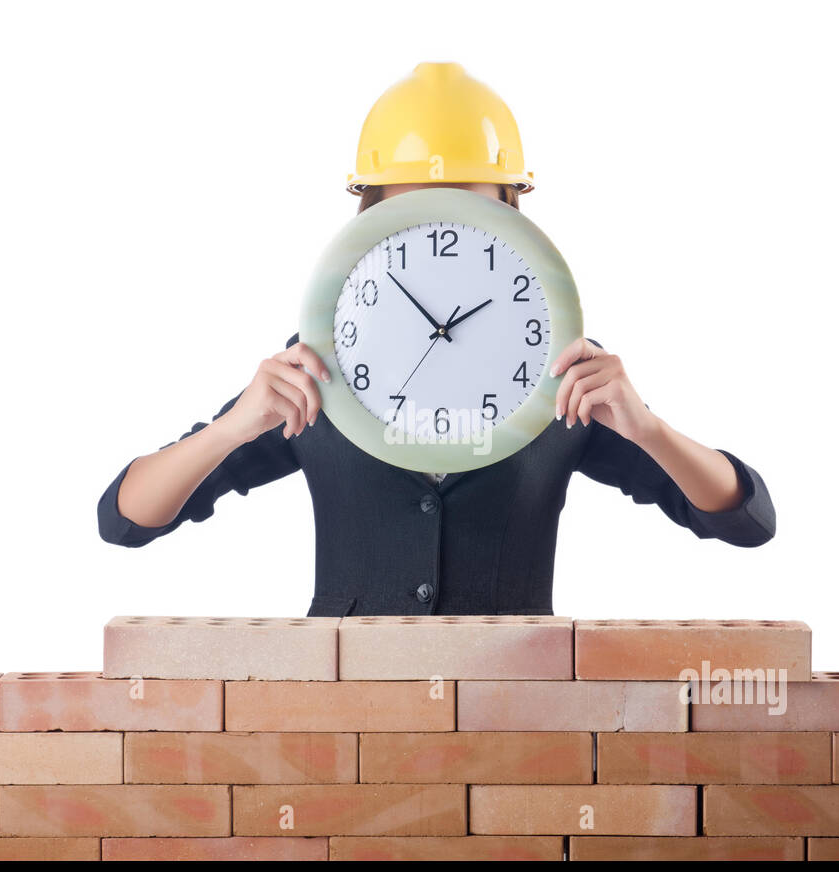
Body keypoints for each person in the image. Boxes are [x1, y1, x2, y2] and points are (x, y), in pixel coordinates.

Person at [98, 62, 775, 617]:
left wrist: (647, 428)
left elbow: (745, 518)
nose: (437, 240)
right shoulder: (312, 374)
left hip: (515, 721)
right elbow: (126, 518)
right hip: (345, 721)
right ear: (371, 217)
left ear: (511, 213)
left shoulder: (568, 376)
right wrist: (235, 427)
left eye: (466, 208)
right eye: (415, 210)